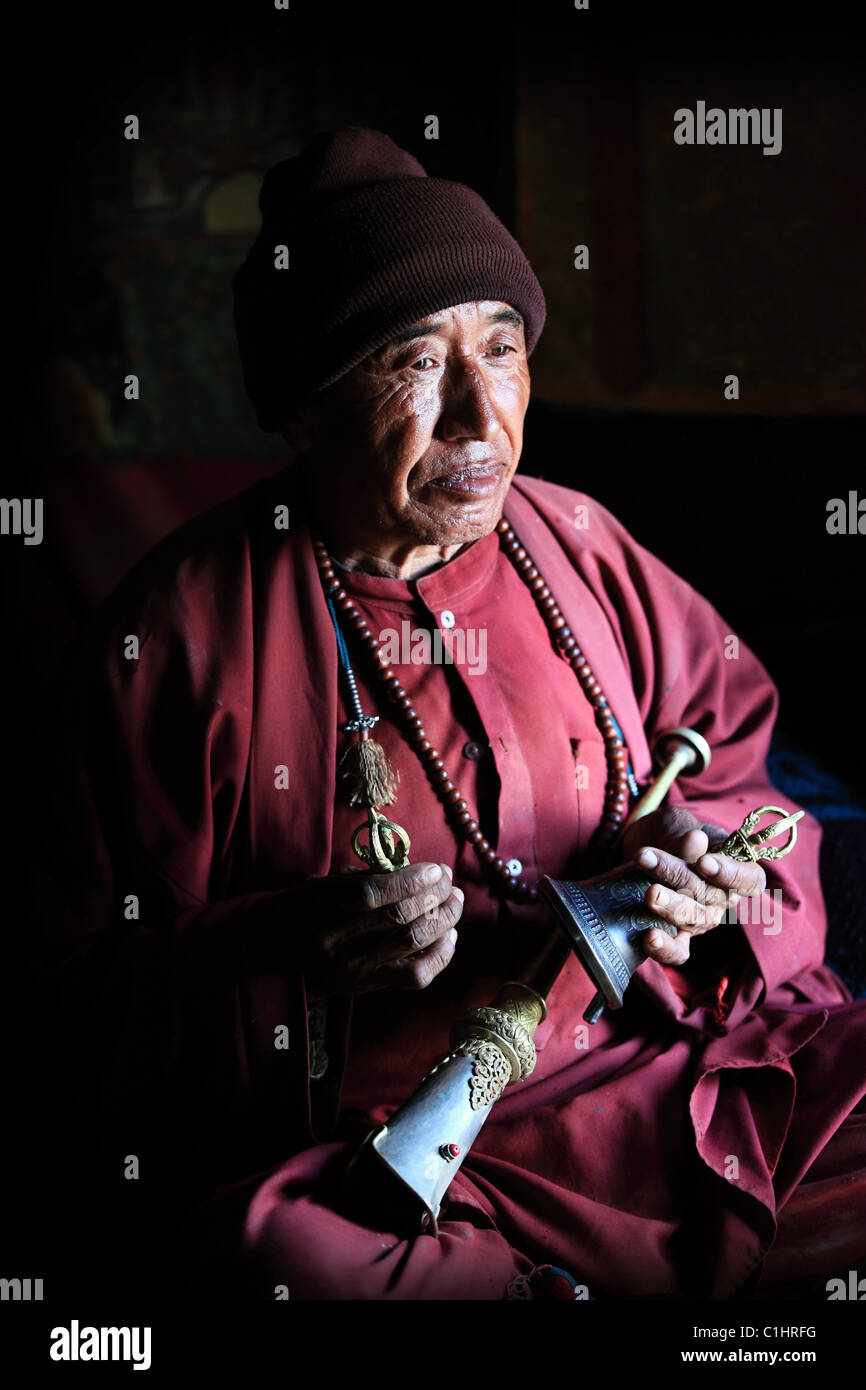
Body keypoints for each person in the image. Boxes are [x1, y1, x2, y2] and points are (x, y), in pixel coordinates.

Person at [41, 127, 865, 1302]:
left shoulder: (577, 539)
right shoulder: (172, 643)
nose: (481, 418)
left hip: (663, 1066)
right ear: (305, 411)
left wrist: (701, 850)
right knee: (281, 1257)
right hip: (407, 1157)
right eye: (412, 360)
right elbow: (63, 999)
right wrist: (274, 952)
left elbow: (735, 749)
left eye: (502, 347)